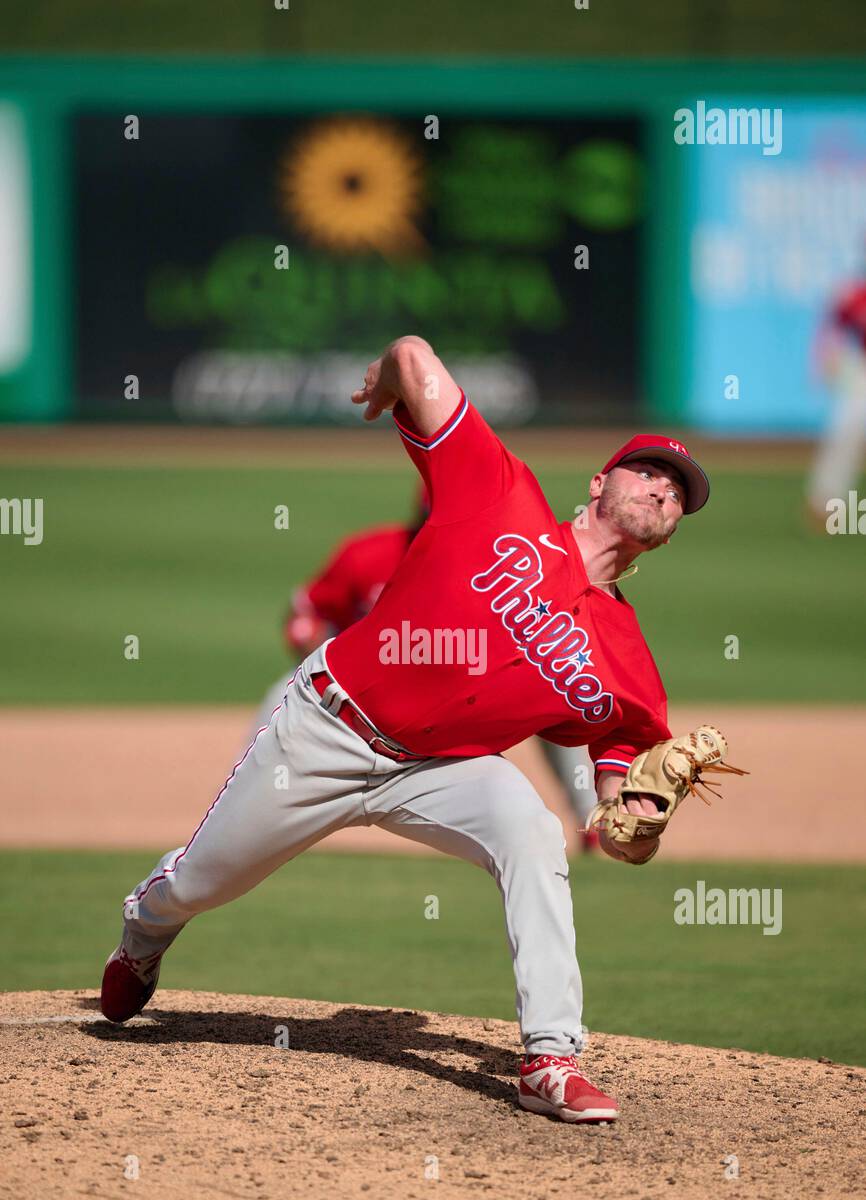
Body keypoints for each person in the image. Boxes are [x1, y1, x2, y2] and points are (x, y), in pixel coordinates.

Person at [101, 335, 710, 1125]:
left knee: (531, 829)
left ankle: (550, 1059)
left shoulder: (629, 662)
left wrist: (636, 820)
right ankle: (142, 936)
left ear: (673, 527)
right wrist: (389, 384)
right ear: (600, 481)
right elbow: (416, 354)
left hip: (438, 771)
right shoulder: (500, 493)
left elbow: (619, 772)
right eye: (648, 470)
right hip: (327, 727)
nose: (662, 489)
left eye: (677, 492)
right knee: (203, 883)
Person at [252, 499, 599, 843]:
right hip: (365, 691)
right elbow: (306, 613)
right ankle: (249, 799)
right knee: (287, 689)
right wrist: (311, 644)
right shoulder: (368, 555)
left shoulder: (494, 572)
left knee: (544, 699)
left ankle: (591, 820)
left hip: (451, 696)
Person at [807, 274, 866, 527]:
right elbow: (832, 327)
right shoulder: (854, 295)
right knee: (845, 430)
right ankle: (824, 503)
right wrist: (823, 357)